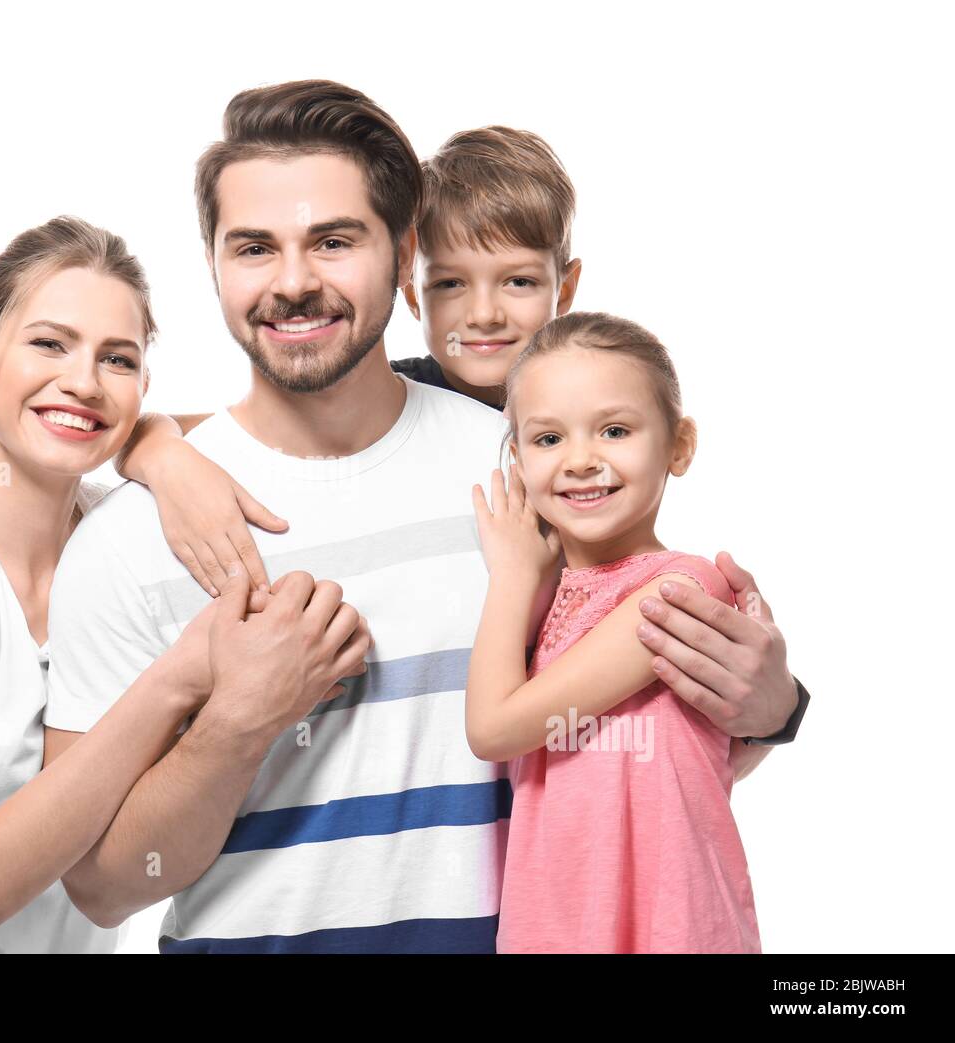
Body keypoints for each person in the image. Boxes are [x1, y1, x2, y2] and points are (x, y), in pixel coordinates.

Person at [43, 80, 803, 953]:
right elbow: (101, 887)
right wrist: (237, 719)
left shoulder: (533, 470)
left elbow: (641, 674)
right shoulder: (134, 535)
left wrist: (771, 706)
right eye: (254, 246)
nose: (293, 282)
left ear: (400, 255)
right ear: (210, 262)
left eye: (334, 240)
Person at [0, 215, 366, 952]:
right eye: (49, 343)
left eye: (117, 359)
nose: (82, 381)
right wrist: (179, 678)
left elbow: (277, 428)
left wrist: (161, 450)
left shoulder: (123, 542)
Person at [468, 311, 761, 952]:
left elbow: (494, 730)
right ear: (517, 459)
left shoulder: (682, 589)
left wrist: (512, 576)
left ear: (679, 445)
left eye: (615, 430)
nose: (580, 460)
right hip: (554, 927)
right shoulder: (546, 607)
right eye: (548, 440)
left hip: (669, 928)